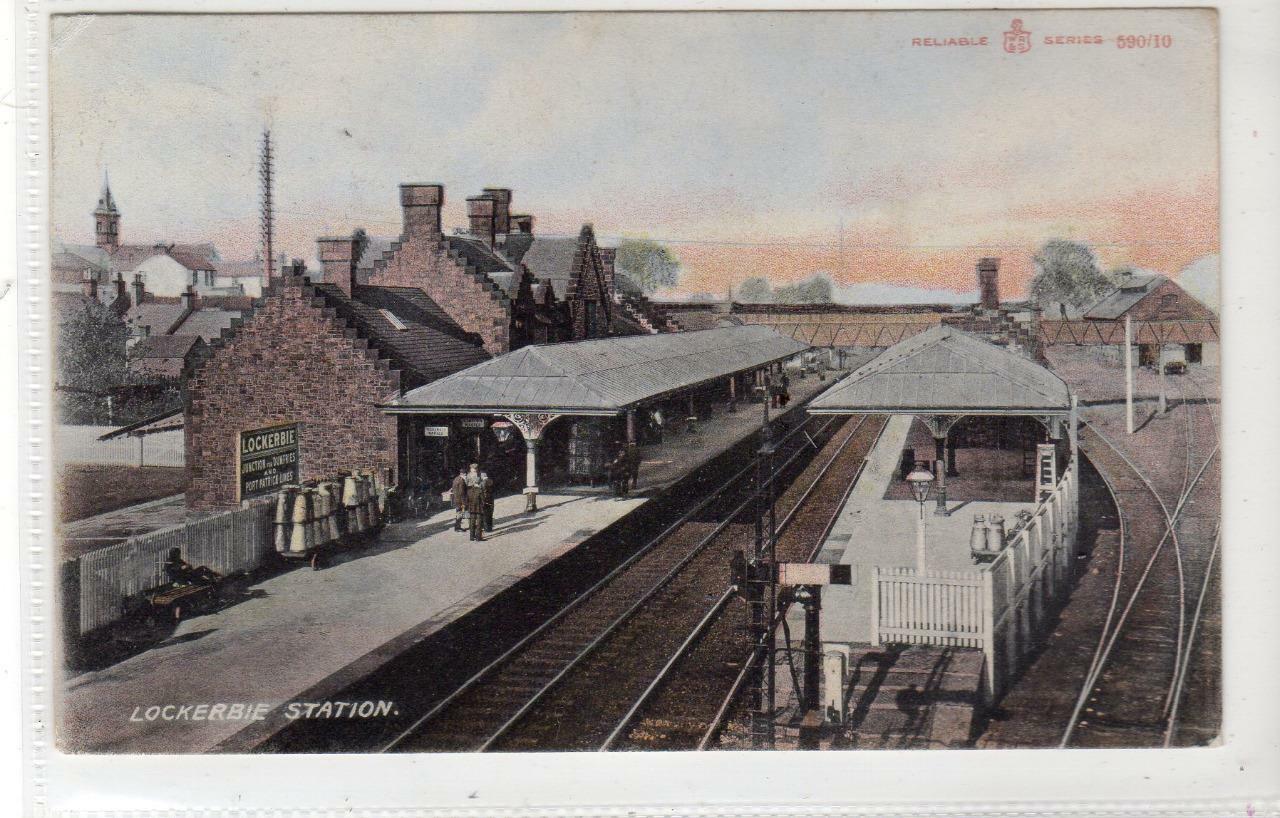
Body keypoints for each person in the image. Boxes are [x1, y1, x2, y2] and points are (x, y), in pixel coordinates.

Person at [464, 463, 485, 541]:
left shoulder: (468, 489)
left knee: (472, 519)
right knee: (479, 520)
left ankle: (471, 536)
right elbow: (482, 496)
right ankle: (478, 537)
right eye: (474, 469)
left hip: (471, 503)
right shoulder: (479, 489)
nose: (475, 470)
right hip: (478, 504)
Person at [450, 467, 468, 532]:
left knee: (458, 513)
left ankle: (457, 527)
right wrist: (464, 503)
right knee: (460, 513)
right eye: (465, 475)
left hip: (456, 499)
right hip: (460, 501)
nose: (466, 476)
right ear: (463, 474)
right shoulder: (461, 481)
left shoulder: (456, 479)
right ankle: (457, 528)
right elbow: (462, 493)